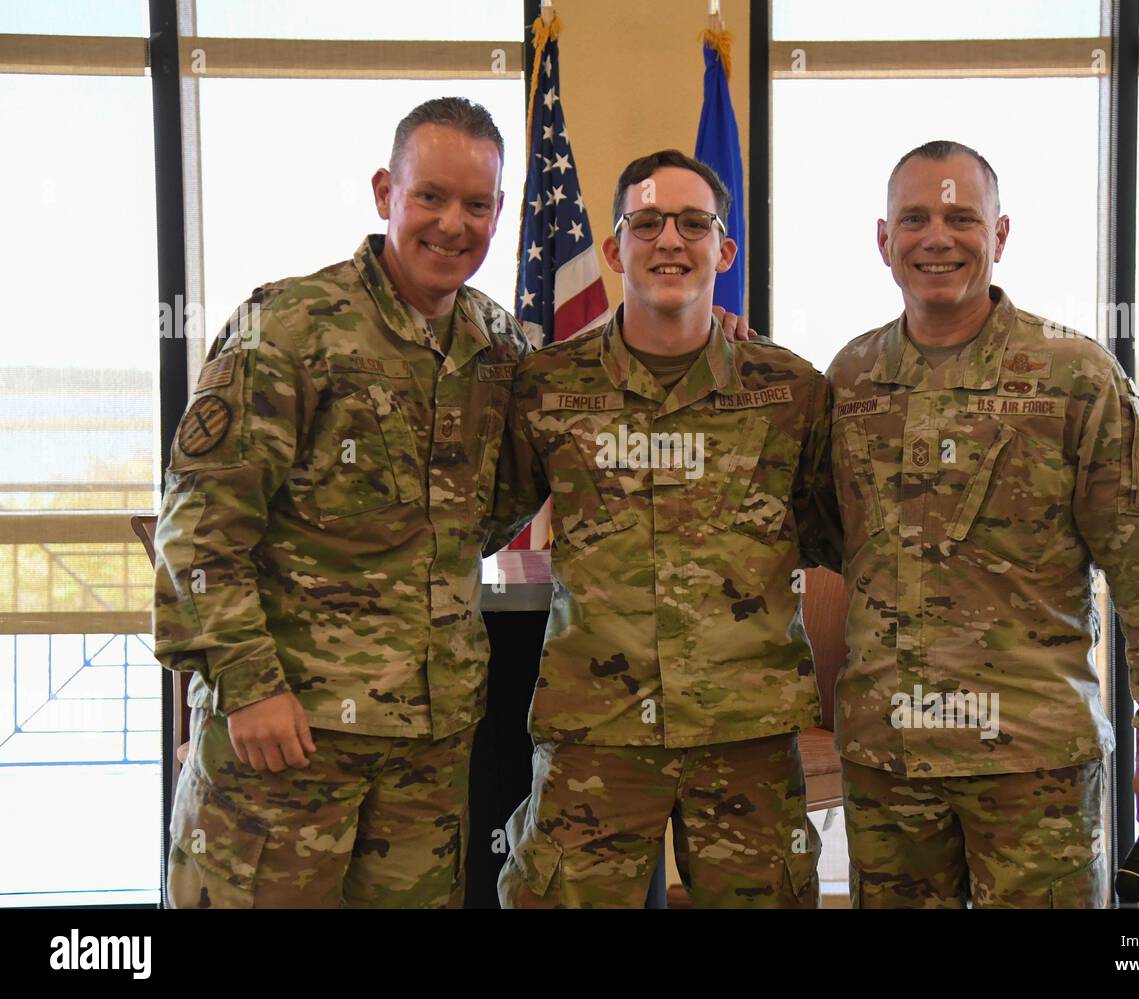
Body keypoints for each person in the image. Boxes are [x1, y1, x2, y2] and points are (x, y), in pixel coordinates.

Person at [821, 139, 1139, 908]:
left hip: (1032, 766)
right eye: (914, 217)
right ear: (884, 240)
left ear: (999, 235)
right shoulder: (850, 378)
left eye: (961, 217)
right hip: (889, 763)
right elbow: (823, 537)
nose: (937, 237)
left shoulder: (1075, 377)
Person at [153, 97, 531, 908]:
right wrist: (247, 684)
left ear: (500, 211)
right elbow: (196, 528)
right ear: (384, 192)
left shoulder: (502, 347)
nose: (451, 224)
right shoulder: (287, 329)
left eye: (475, 204)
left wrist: (716, 331)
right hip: (287, 734)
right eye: (430, 196)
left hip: (429, 746)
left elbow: (502, 496)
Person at [491, 149, 840, 908]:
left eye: (692, 223)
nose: (670, 241)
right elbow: (481, 517)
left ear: (725, 248)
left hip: (746, 738)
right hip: (597, 736)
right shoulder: (548, 388)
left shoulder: (789, 392)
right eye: (646, 223)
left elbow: (836, 535)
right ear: (615, 249)